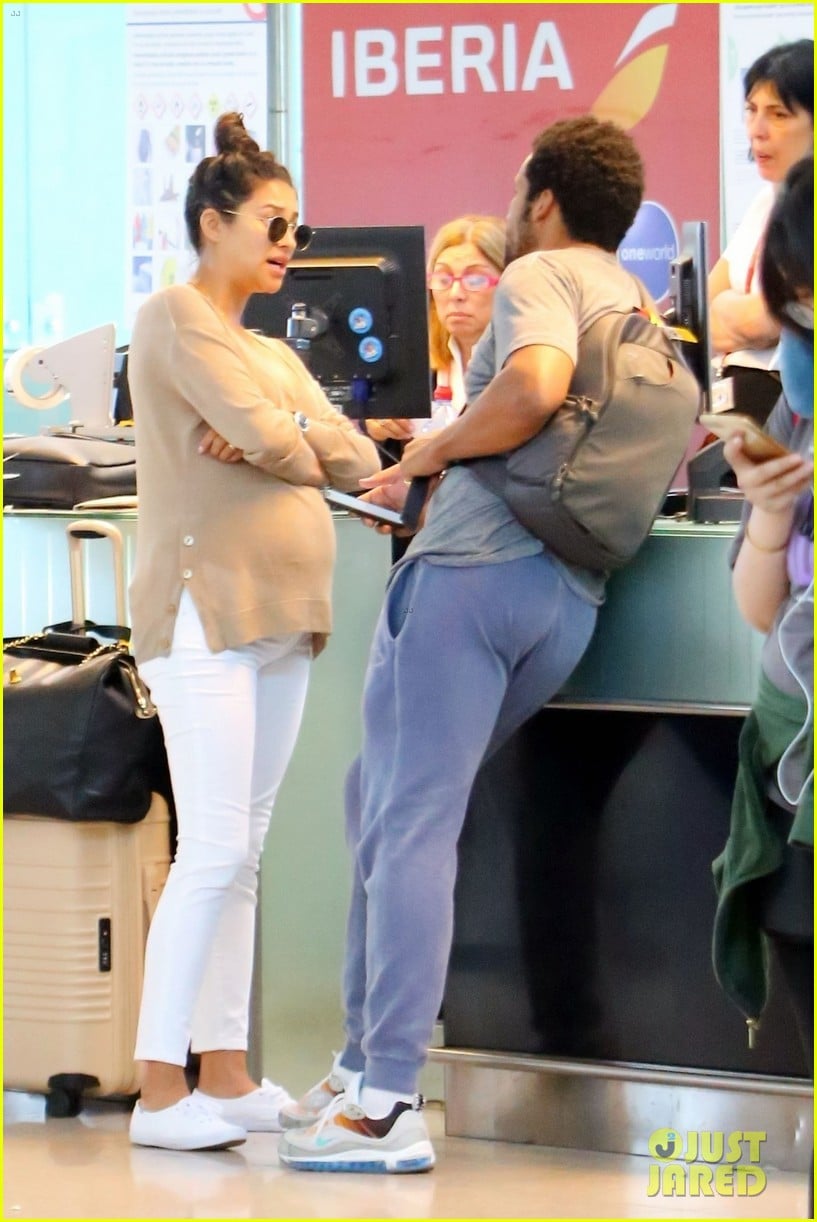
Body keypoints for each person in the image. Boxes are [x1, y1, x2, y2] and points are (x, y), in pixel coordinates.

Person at [276, 115, 645, 1173]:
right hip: (566, 595)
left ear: (543, 199)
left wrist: (426, 455)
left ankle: (385, 1102)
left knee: (410, 823)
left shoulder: (540, 276)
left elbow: (530, 387)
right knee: (377, 797)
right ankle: (359, 1064)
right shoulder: (632, 301)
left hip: (474, 577)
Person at [126, 112, 379, 1153]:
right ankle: (157, 1091)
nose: (288, 244)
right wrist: (288, 440)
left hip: (281, 618)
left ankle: (224, 1074)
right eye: (273, 224)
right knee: (216, 845)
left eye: (296, 228)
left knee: (246, 850)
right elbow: (279, 438)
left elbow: (356, 456)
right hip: (205, 614)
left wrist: (290, 437)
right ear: (212, 222)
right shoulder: (174, 317)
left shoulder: (268, 351)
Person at [712, 155, 813, 1153]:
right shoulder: (793, 400)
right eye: (795, 303)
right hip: (790, 764)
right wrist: (772, 514)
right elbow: (756, 608)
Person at [707, 39, 813, 421]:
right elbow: (704, 312)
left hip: (791, 407)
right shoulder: (765, 200)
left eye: (779, 114)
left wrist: (732, 311)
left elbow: (773, 318)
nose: (757, 130)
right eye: (751, 111)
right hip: (739, 410)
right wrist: (742, 313)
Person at [364, 214, 506, 447]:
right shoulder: (410, 368)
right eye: (444, 278)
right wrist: (381, 434)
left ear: (510, 285)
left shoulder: (524, 367)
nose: (456, 294)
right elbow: (390, 462)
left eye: (475, 280)